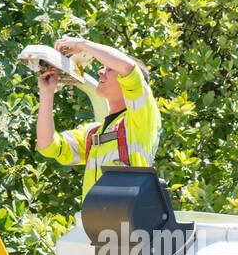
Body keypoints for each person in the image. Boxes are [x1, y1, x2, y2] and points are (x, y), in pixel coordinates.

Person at [36, 36, 162, 198]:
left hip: (129, 219)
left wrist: (82, 45)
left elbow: (127, 67)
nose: (100, 71)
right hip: (95, 219)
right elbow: (47, 145)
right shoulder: (93, 134)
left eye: (109, 69)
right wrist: (46, 93)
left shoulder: (142, 118)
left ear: (127, 82)